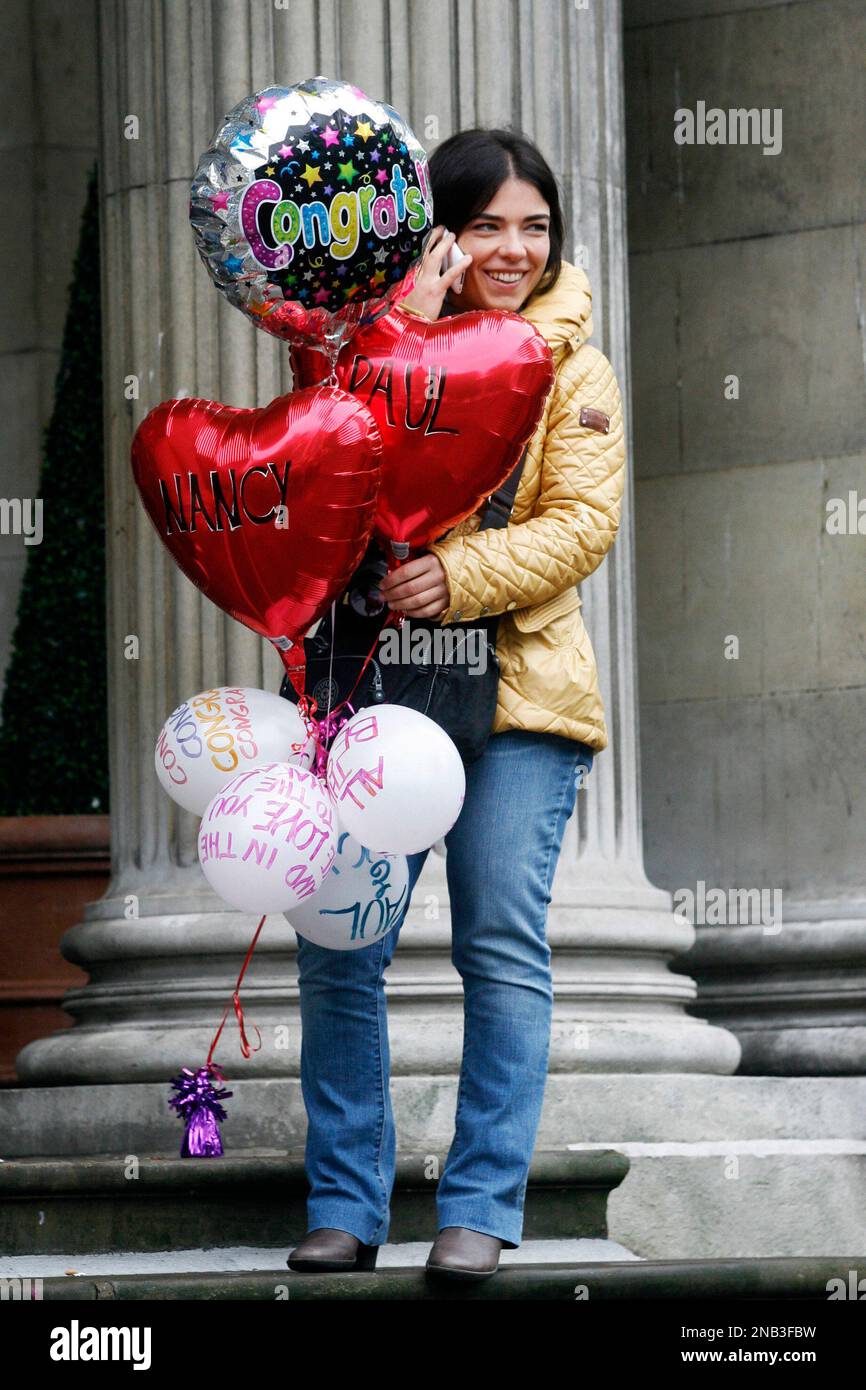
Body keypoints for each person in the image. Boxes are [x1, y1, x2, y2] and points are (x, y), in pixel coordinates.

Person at [286, 127, 625, 1282]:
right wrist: (394, 327)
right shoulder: (367, 346)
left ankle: (476, 1208)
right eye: (484, 225)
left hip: (520, 701)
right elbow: (308, 453)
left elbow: (584, 525)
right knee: (340, 945)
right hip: (378, 689)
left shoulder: (572, 367)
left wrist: (461, 574)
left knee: (498, 945)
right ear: (439, 230)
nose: (512, 249)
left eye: (533, 227)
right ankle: (346, 1202)